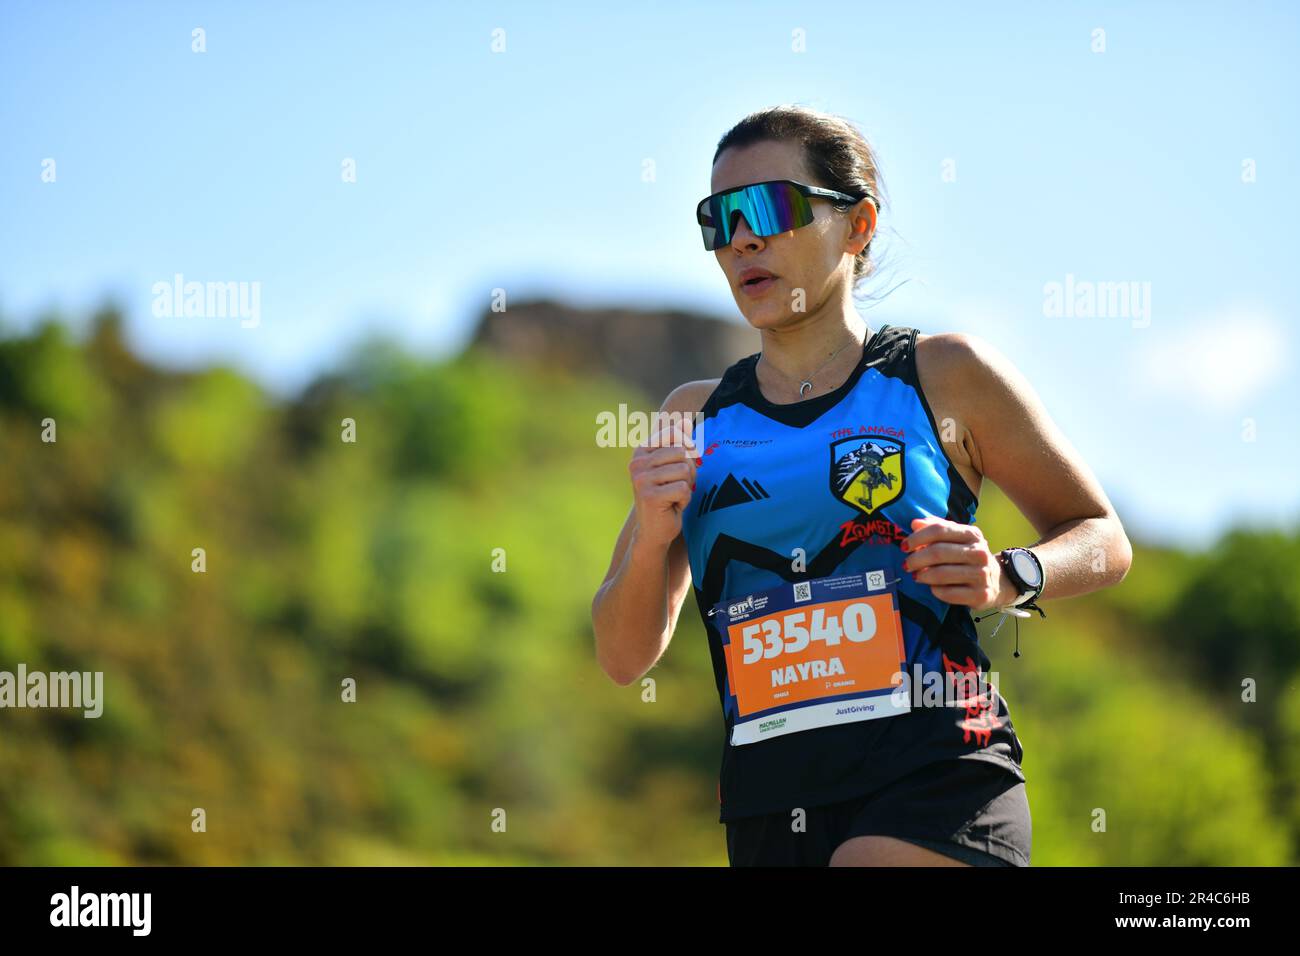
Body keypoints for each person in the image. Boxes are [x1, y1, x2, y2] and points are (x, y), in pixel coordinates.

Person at [590, 104, 1132, 866]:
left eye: (772, 207)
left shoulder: (944, 375)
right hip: (769, 803)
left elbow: (1103, 537)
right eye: (720, 217)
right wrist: (651, 537)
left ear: (860, 223)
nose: (743, 237)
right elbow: (621, 657)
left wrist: (1009, 575)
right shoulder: (694, 416)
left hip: (935, 771)